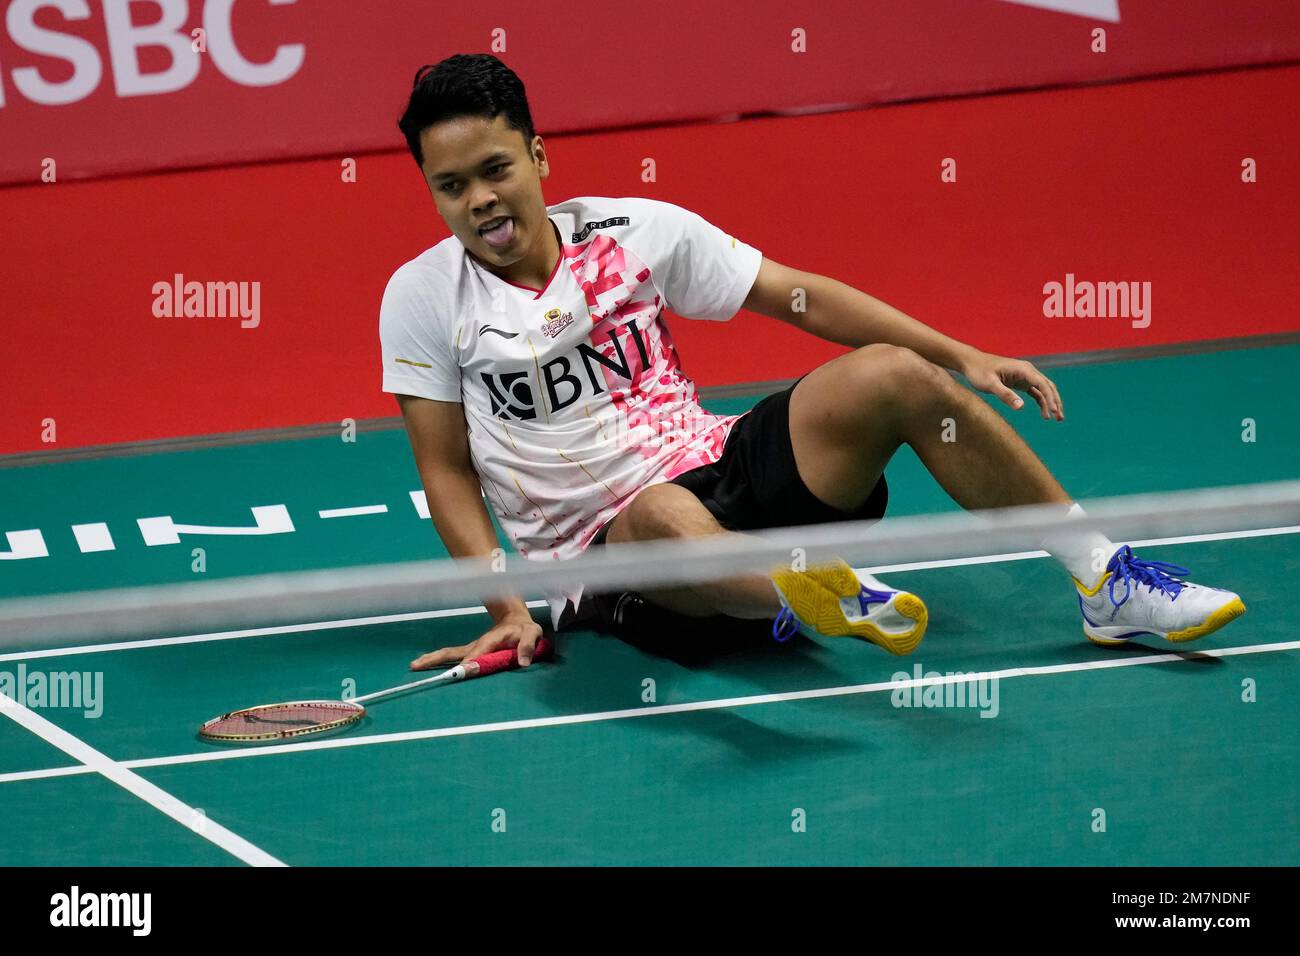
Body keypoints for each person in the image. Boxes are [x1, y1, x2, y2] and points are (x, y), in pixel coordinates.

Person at [379, 53, 1245, 671]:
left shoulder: (628, 231)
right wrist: (506, 604)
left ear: (538, 155)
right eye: (450, 186)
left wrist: (957, 353)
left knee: (893, 374)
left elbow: (799, 295)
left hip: (712, 462)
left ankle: (1107, 581)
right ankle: (812, 593)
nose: (480, 199)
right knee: (662, 520)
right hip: (611, 555)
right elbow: (446, 470)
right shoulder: (424, 298)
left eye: (495, 169)